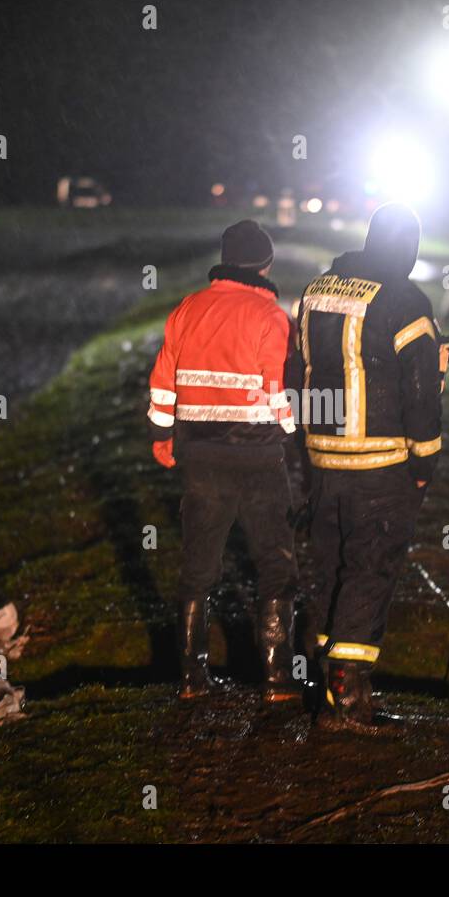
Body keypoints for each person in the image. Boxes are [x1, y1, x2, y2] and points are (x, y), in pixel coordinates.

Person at [297, 203, 443, 731]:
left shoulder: (317, 288)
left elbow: (312, 364)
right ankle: (349, 693)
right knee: (371, 567)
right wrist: (424, 459)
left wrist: (309, 440)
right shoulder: (407, 300)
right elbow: (420, 391)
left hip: (322, 456)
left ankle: (319, 678)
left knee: (328, 564)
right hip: (380, 462)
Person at [147, 220, 301, 703]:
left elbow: (162, 382)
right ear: (266, 265)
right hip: (258, 459)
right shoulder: (271, 316)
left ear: (225, 261)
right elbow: (278, 391)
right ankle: (277, 682)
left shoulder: (187, 309)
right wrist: (294, 436)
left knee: (198, 566)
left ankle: (192, 681)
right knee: (275, 565)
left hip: (200, 457)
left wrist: (161, 435)